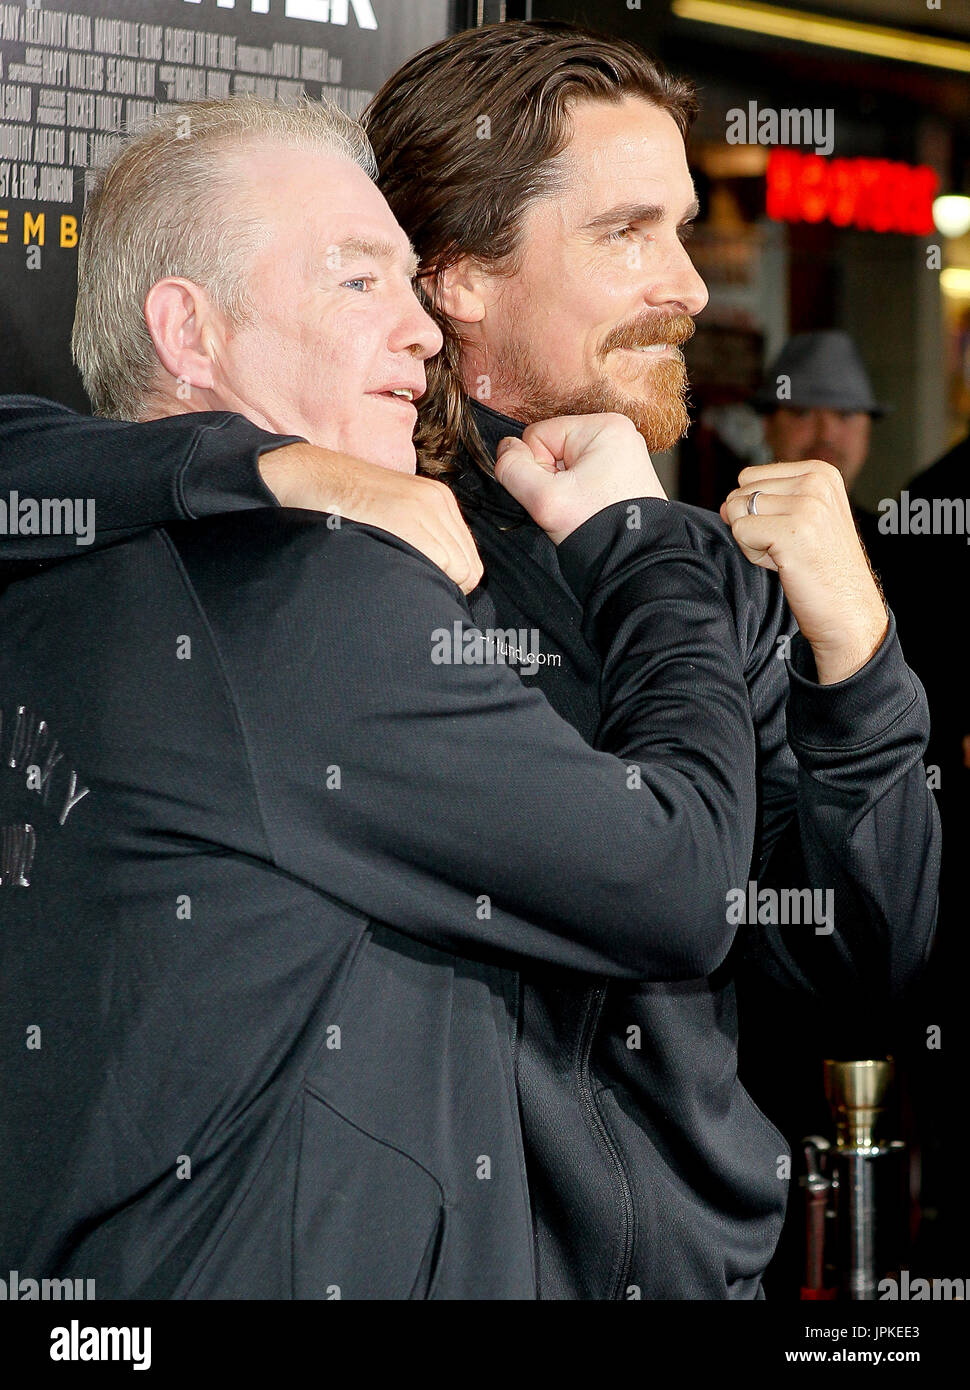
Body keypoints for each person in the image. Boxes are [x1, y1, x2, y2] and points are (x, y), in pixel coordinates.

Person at [1, 23, 939, 1299]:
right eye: (625, 233)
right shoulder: (332, 549)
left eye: (680, 230)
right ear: (461, 279)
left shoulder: (696, 573)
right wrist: (247, 461)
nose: (688, 287)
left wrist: (860, 671)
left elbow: (853, 989)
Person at [751, 330, 891, 569]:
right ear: (768, 426)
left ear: (867, 430)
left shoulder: (903, 555)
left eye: (845, 414)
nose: (826, 434)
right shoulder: (718, 538)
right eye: (801, 412)